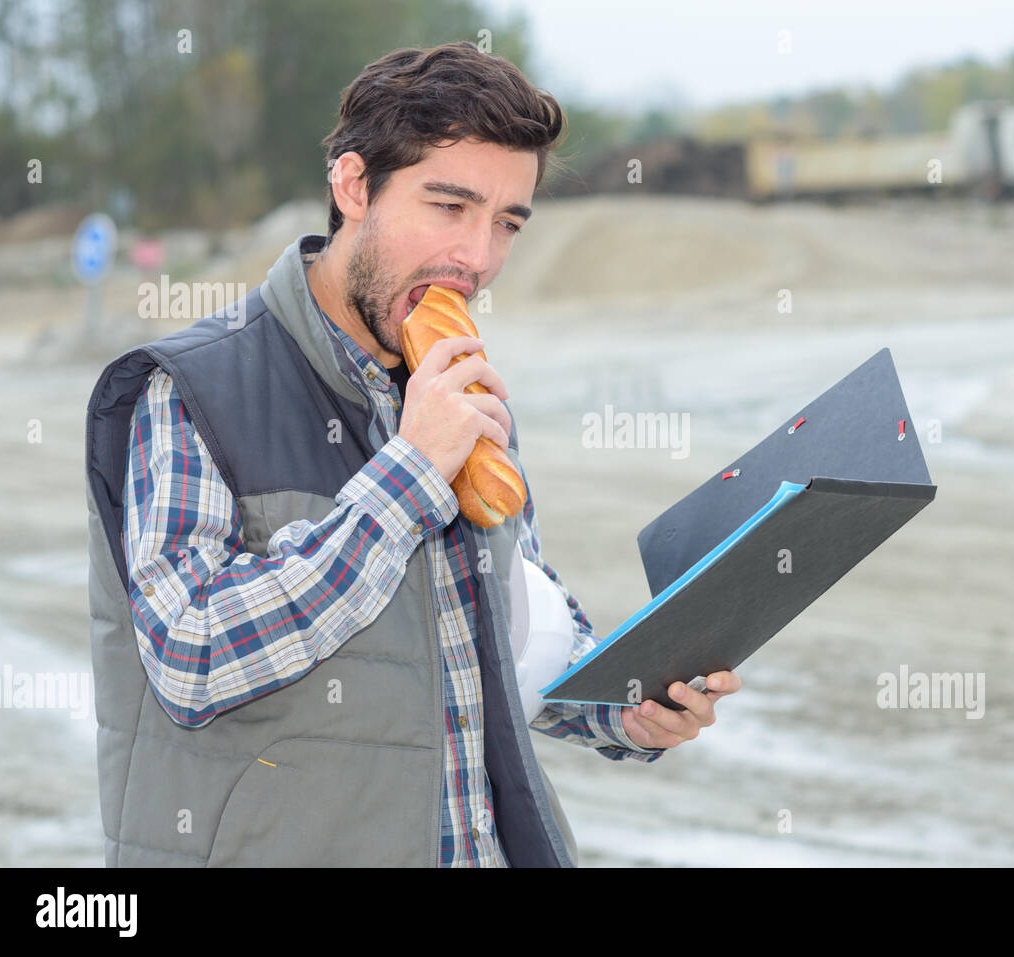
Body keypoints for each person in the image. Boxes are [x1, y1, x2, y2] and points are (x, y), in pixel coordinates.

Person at [83, 41, 740, 868]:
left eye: (506, 222)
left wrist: (625, 704)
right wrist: (410, 475)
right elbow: (191, 655)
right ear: (354, 186)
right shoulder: (192, 388)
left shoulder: (458, 383)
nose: (477, 258)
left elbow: (510, 632)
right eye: (449, 205)